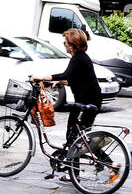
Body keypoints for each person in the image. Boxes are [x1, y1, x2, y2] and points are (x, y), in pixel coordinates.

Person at [38, 26, 102, 179]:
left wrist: (41, 77)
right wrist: (62, 82)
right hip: (91, 101)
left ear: (73, 44)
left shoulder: (78, 58)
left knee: (75, 137)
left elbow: (66, 73)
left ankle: (105, 164)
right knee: (80, 136)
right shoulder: (81, 58)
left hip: (85, 103)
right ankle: (77, 172)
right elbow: (76, 78)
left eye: (65, 42)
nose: (64, 45)